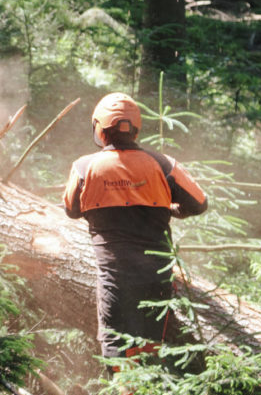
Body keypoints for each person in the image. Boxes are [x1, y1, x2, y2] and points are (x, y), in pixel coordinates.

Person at [62, 92, 207, 365]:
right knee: (150, 349)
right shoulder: (164, 164)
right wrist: (172, 209)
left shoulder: (84, 168)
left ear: (100, 130)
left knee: (116, 348)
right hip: (158, 275)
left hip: (114, 278)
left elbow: (71, 210)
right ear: (136, 127)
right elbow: (199, 203)